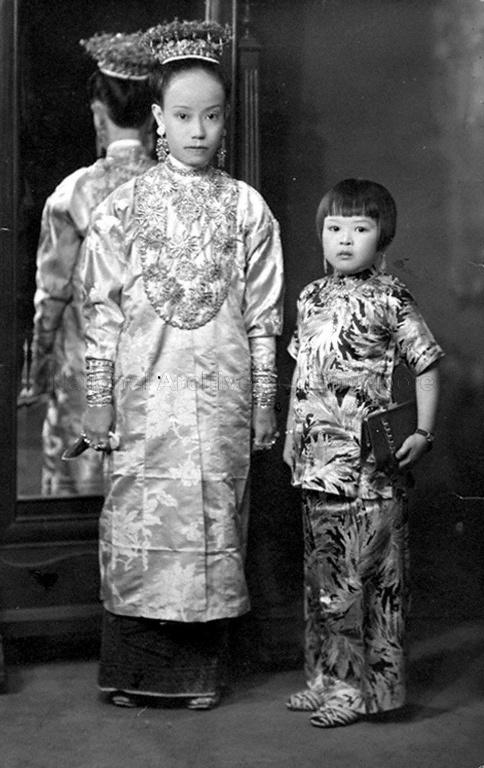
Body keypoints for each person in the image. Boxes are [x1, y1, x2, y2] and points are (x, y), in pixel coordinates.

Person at [81, 19, 284, 709]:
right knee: (140, 520)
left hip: (220, 400)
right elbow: (99, 310)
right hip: (144, 399)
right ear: (159, 120)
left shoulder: (247, 208)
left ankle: (202, 675)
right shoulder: (123, 208)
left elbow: (264, 316)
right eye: (184, 116)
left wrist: (263, 399)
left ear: (225, 120)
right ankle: (135, 673)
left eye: (213, 116)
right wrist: (99, 396)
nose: (199, 130)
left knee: (213, 521)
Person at [283, 178, 444, 728]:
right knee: (321, 581)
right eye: (334, 228)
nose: (345, 239)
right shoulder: (310, 297)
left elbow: (425, 363)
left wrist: (422, 433)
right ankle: (325, 679)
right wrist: (289, 437)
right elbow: (302, 377)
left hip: (367, 471)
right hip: (313, 462)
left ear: (382, 236)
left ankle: (360, 693)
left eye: (360, 228)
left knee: (358, 583)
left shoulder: (391, 296)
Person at [27, 31, 155, 495]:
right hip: (156, 367)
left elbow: (52, 291)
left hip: (85, 366)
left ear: (99, 116)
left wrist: (38, 365)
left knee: (79, 487)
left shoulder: (74, 194)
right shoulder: (173, 190)